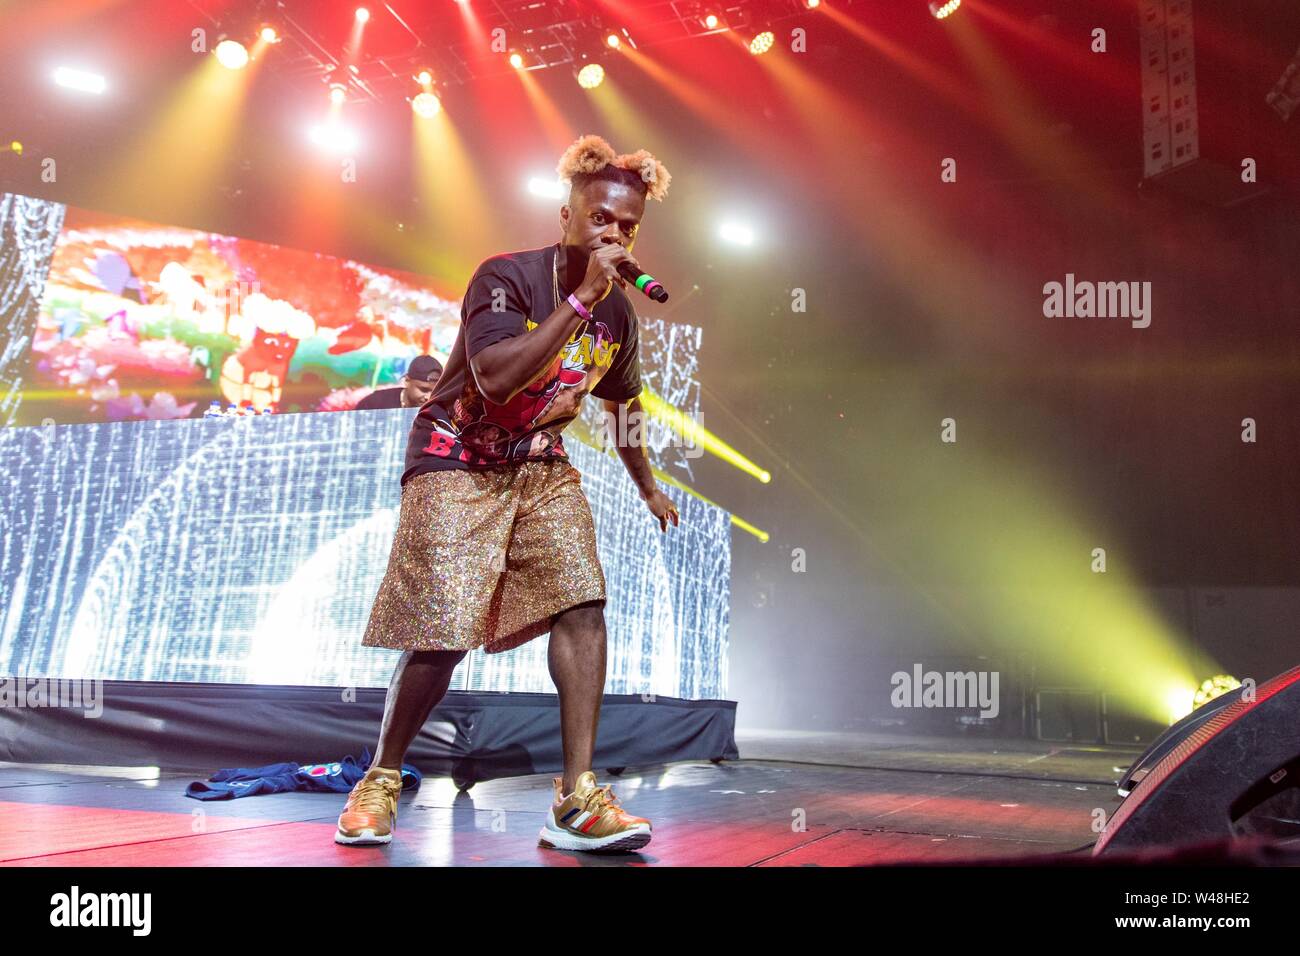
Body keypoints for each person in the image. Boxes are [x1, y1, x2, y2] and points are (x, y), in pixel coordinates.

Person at [335, 133, 680, 853]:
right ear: (567, 216)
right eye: (600, 218)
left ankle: (576, 798)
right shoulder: (507, 277)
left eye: (627, 225)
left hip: (539, 464)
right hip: (457, 454)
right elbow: (495, 379)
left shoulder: (620, 317)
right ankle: (381, 778)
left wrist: (648, 487)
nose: (613, 232)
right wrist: (583, 300)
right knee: (445, 628)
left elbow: (626, 408)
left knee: (582, 599)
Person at [354, 355, 443, 409]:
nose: (428, 397)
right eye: (424, 390)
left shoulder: (438, 411)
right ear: (407, 381)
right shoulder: (374, 404)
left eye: (434, 391)